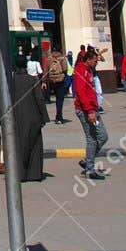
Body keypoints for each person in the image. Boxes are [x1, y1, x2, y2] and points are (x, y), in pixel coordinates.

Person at [11, 54, 48, 182]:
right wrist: (44, 117)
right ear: (26, 65)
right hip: (33, 117)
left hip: (15, 117)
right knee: (35, 145)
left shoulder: (11, 81)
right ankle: (34, 173)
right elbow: (39, 99)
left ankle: (20, 174)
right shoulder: (32, 80)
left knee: (18, 145)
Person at [74, 45, 108, 180]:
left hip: (93, 108)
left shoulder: (88, 70)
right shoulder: (81, 71)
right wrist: (89, 111)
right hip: (85, 110)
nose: (96, 63)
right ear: (88, 60)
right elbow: (81, 93)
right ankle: (89, 169)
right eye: (95, 61)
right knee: (92, 139)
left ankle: (88, 160)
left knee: (103, 136)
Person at [43, 46, 70, 123]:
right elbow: (65, 69)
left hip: (51, 81)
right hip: (60, 81)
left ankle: (52, 117)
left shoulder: (49, 59)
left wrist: (44, 81)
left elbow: (46, 70)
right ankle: (59, 117)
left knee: (52, 98)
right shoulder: (62, 58)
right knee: (60, 99)